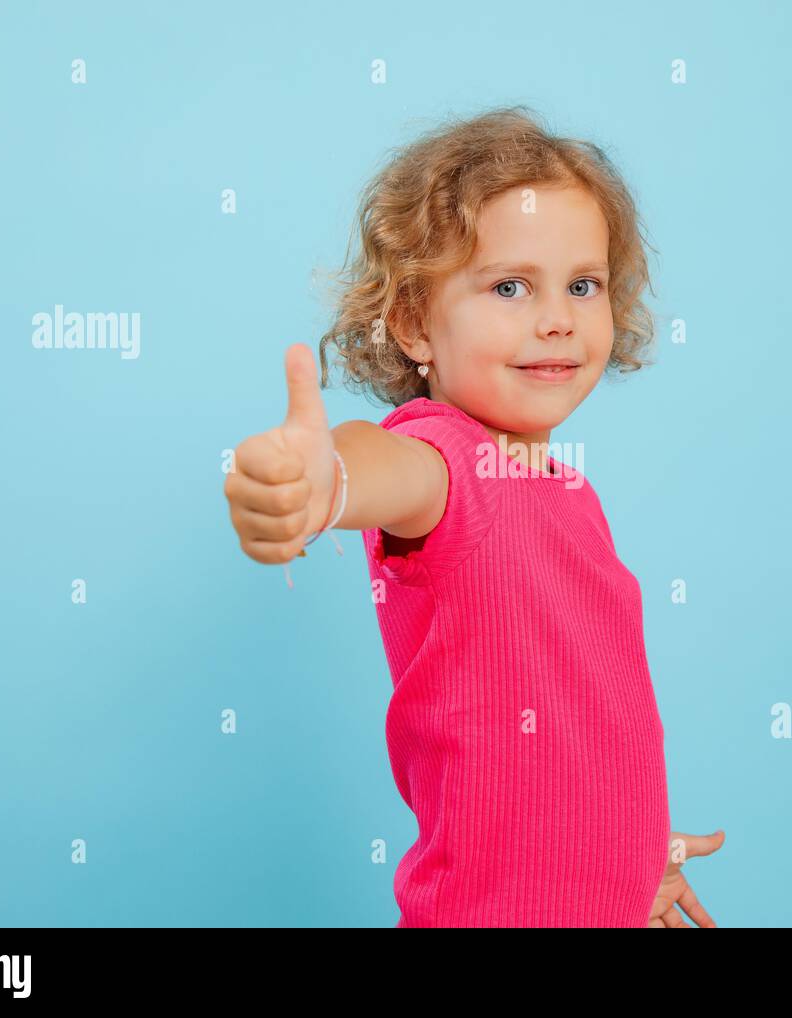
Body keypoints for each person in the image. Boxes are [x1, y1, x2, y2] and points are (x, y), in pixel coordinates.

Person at [224, 106, 724, 927]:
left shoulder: (571, 495)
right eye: (509, 286)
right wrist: (320, 483)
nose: (556, 316)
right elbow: (377, 465)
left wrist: (623, 859)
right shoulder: (446, 462)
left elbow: (570, 727)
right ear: (417, 322)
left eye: (583, 285)